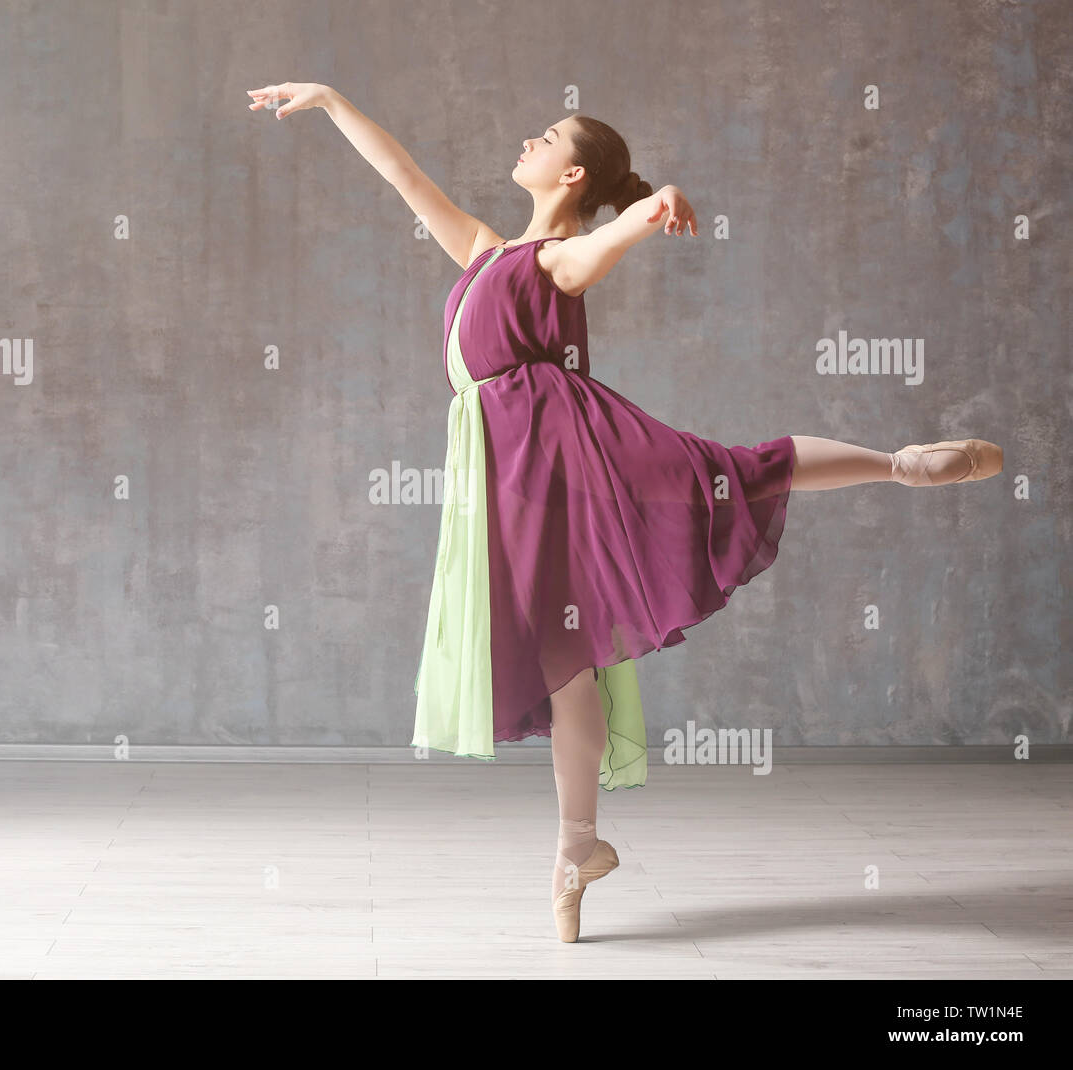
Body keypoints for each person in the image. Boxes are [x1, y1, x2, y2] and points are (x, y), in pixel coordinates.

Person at [246, 83, 1004, 942]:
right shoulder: (490, 251)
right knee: (563, 655)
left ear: (569, 173)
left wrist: (657, 208)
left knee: (732, 477)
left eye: (546, 136)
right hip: (511, 470)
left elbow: (603, 245)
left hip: (557, 447)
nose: (527, 138)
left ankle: (898, 465)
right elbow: (403, 175)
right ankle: (577, 851)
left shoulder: (555, 259)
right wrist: (333, 101)